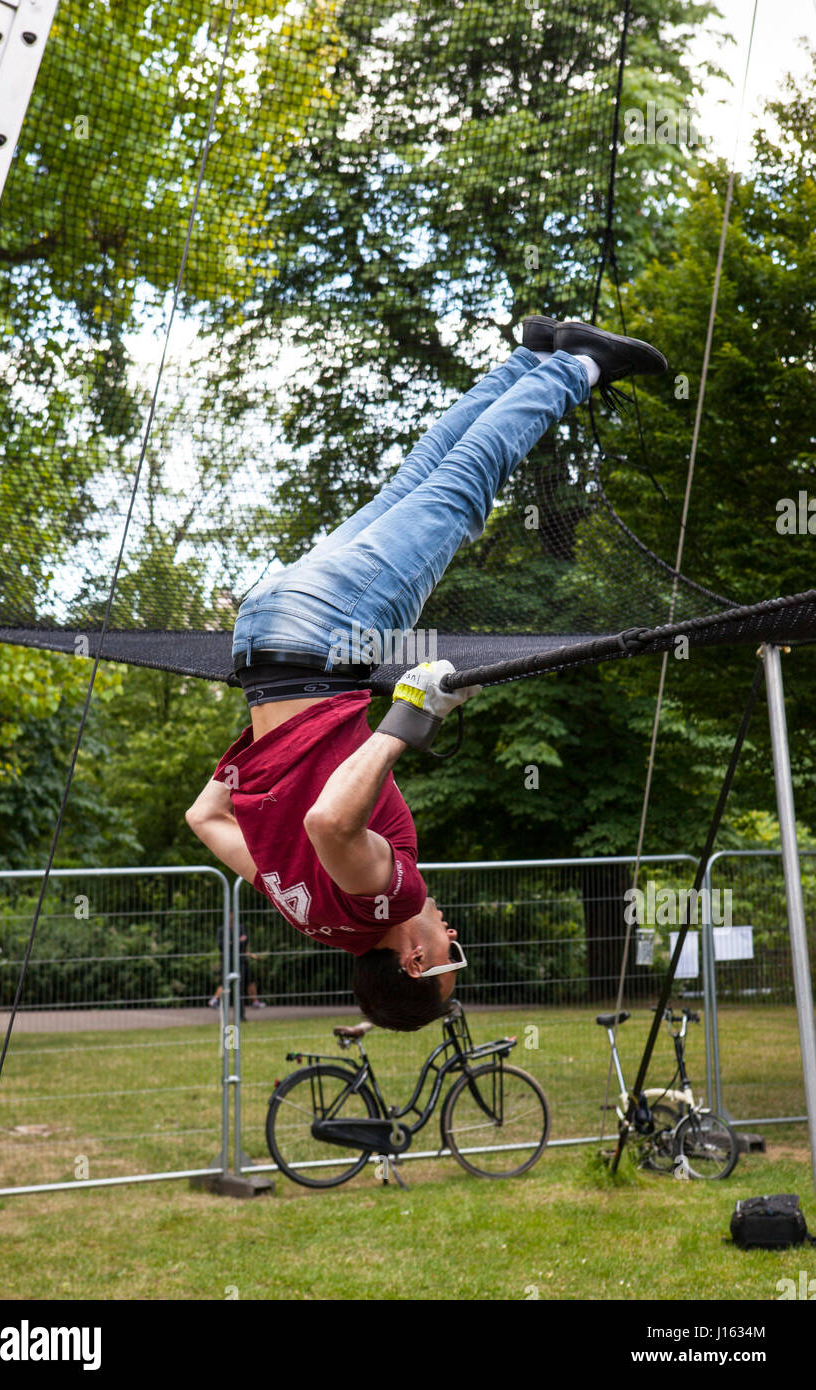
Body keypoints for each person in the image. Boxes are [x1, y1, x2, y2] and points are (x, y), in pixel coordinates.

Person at [186, 317, 666, 1031]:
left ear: (416, 962)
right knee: (421, 481)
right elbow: (206, 815)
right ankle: (529, 357)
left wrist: (408, 719)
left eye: (451, 955)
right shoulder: (312, 916)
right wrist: (277, 743)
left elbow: (328, 821)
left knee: (463, 491)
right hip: (261, 645)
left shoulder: (383, 900)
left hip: (326, 638)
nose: (454, 938)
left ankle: (579, 367)